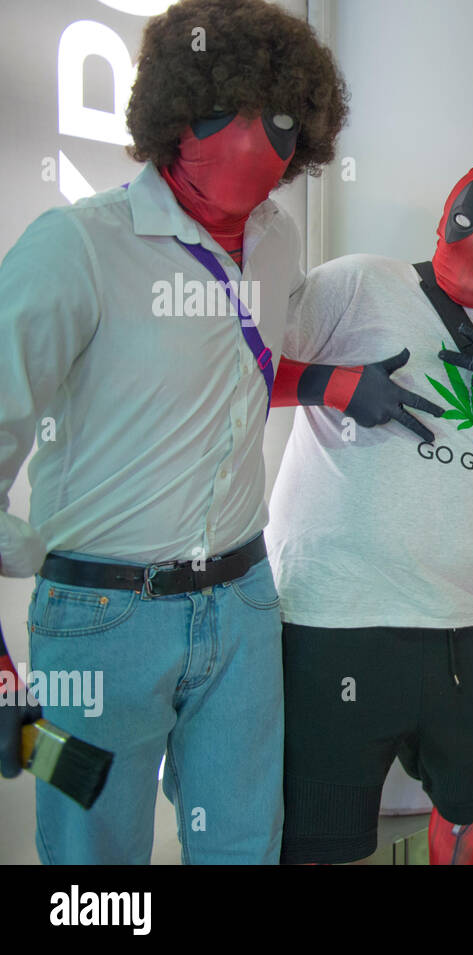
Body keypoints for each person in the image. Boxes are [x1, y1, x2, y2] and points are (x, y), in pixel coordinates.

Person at [0, 0, 355, 864]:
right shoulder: (78, 247)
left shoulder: (277, 242)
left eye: (273, 121)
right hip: (103, 614)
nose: (246, 139)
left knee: (243, 844)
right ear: (172, 117)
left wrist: (341, 385)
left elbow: (241, 372)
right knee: (96, 868)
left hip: (241, 598)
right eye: (219, 113)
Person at [266, 166, 473, 866]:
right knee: (316, 831)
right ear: (444, 219)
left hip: (472, 623)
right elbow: (241, 366)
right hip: (335, 617)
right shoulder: (362, 283)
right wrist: (334, 384)